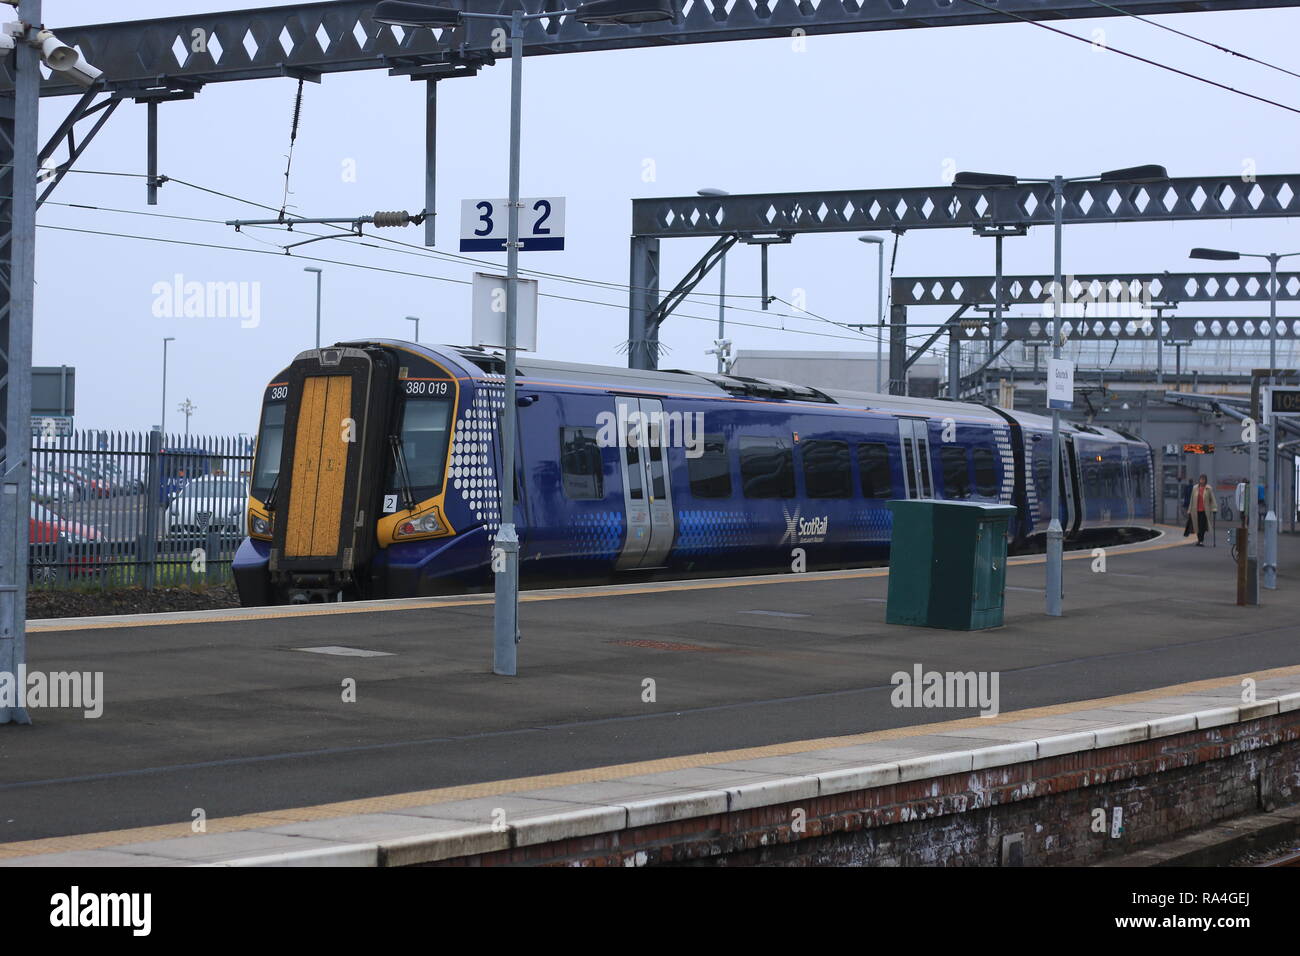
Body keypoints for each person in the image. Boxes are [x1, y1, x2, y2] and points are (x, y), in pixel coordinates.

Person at [1184, 474, 1216, 546]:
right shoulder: (1195, 488)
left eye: (1203, 479)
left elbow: (1212, 499)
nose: (1202, 480)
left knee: (1202, 526)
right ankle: (1199, 540)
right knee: (1197, 526)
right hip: (1195, 510)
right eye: (1201, 479)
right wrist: (1189, 510)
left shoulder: (1208, 488)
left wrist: (1214, 508)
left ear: (1205, 480)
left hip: (1205, 511)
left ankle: (1201, 540)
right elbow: (1192, 499)